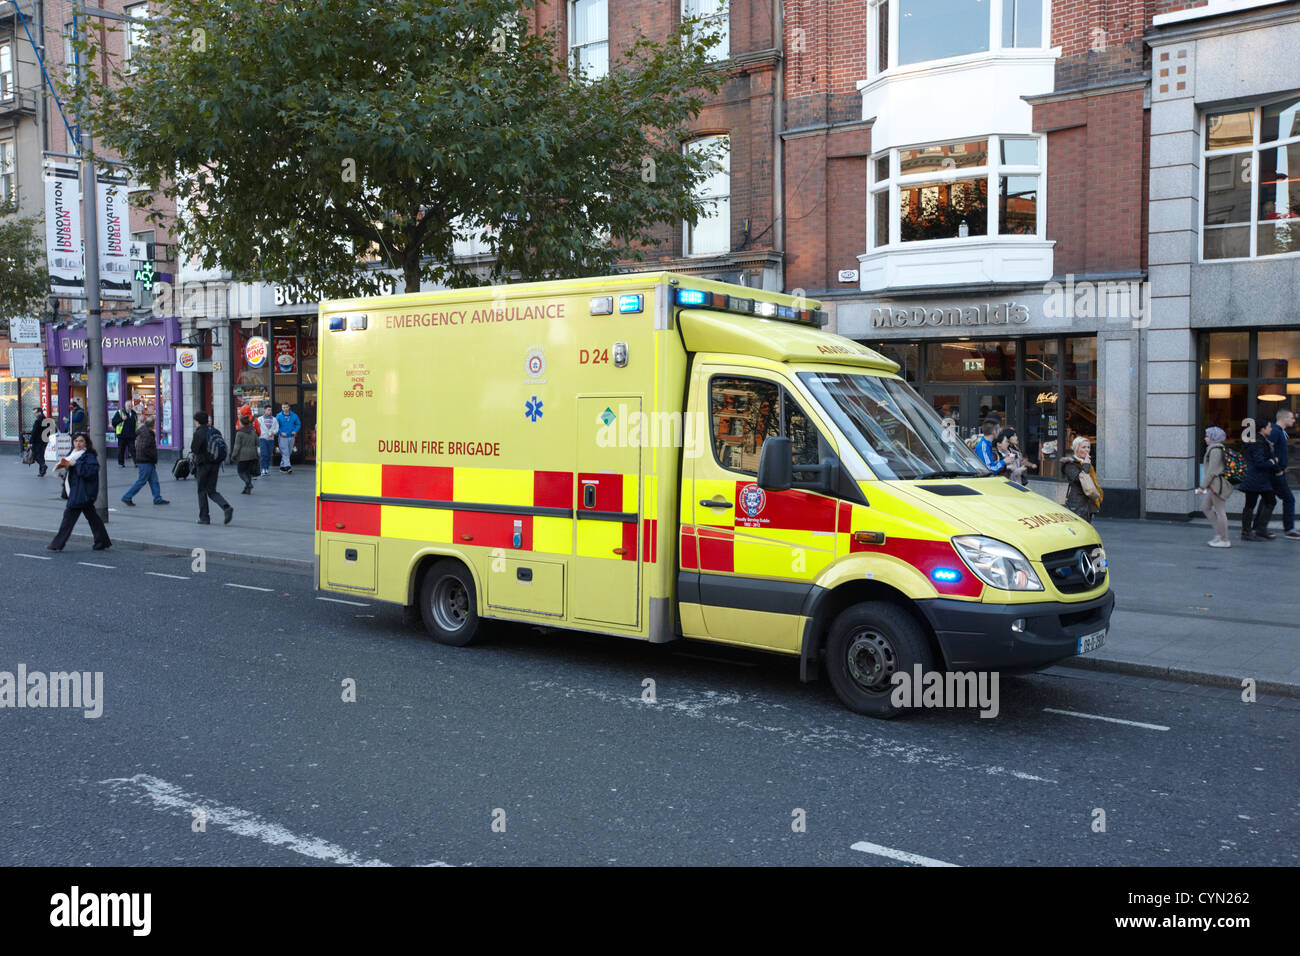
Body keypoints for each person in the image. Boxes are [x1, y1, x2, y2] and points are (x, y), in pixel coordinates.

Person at [46, 433, 112, 552]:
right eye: (76, 441)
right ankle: (102, 541)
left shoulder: (89, 456)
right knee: (93, 518)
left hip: (82, 493)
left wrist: (75, 464)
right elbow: (74, 474)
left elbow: (89, 473)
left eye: (81, 441)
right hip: (79, 492)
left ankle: (57, 544)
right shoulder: (73, 454)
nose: (78, 443)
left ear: (86, 443)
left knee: (68, 519)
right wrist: (63, 472)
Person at [191, 410, 233, 525]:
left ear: (198, 422)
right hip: (215, 464)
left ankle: (204, 517)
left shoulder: (199, 433)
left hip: (203, 465)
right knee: (211, 490)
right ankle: (226, 506)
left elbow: (194, 449)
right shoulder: (215, 431)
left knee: (202, 491)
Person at [1240, 418, 1278, 541]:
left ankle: (1253, 530)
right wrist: (1272, 461)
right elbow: (1259, 463)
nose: (1271, 429)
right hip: (1256, 479)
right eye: (1269, 427)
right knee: (1265, 502)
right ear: (1263, 429)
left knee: (1259, 503)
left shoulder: (1258, 440)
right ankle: (1251, 531)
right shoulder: (1259, 442)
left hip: (1257, 479)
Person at [120, 414, 169, 506]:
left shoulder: (143, 431)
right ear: (153, 425)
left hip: (145, 460)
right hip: (145, 461)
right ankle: (127, 497)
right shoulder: (147, 434)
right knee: (142, 480)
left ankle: (157, 498)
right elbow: (144, 447)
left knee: (154, 480)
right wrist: (152, 457)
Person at [1194, 426, 1231, 548]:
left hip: (1217, 485)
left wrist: (1201, 487)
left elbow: (1212, 471)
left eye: (1207, 436)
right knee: (1205, 507)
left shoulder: (1215, 450)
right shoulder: (1214, 448)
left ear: (1213, 438)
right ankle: (1219, 534)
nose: (1205, 438)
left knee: (1220, 512)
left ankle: (1224, 539)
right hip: (1214, 484)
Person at [1267, 408, 1298, 540]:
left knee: (1267, 500)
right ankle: (1289, 529)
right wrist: (1277, 468)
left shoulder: (1280, 431)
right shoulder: (1275, 431)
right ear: (1284, 419)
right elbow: (1268, 448)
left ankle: (1258, 528)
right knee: (1289, 499)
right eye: (1291, 418)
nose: (1293, 420)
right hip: (1276, 473)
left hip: (1277, 472)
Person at [1061, 435, 1102, 522]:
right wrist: (1086, 464)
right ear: (1076, 448)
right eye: (1083, 447)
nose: (1087, 450)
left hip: (1088, 504)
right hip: (1077, 504)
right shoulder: (1070, 463)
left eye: (1088, 447)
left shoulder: (1086, 463)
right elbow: (1078, 479)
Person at [229, 415, 260, 494]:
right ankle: (247, 488)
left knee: (241, 472)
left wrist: (233, 455)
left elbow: (237, 446)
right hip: (253, 454)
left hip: (243, 456)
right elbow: (258, 442)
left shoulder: (240, 433)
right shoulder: (253, 431)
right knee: (248, 472)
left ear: (241, 423)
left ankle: (248, 483)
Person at [275, 401, 301, 474]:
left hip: (291, 436)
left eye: (286, 407)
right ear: (281, 408)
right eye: (283, 407)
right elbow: (276, 426)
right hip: (283, 437)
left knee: (289, 452)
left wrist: (295, 431)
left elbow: (298, 424)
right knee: (285, 452)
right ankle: (288, 467)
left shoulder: (294, 415)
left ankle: (282, 467)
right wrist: (280, 432)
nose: (285, 409)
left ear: (289, 407)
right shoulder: (279, 416)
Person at [111, 402, 138, 468]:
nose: (130, 407)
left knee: (133, 450)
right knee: (121, 450)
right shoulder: (120, 413)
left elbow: (136, 424)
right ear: (125, 406)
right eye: (128, 406)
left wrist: (136, 433)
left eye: (131, 405)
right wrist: (121, 419)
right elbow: (113, 422)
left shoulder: (134, 414)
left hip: (131, 435)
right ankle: (121, 463)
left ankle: (136, 463)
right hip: (122, 435)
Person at [256, 405, 279, 477]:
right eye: (268, 410)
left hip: (271, 439)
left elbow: (277, 428)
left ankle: (266, 468)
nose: (270, 411)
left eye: (270, 410)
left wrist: (273, 432)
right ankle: (262, 469)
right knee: (264, 454)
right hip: (262, 438)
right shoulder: (259, 419)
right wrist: (260, 434)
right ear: (265, 410)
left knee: (269, 454)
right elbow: (257, 428)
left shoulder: (274, 419)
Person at [28, 411, 51, 478]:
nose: (34, 414)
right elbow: (51, 430)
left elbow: (34, 432)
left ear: (39, 413)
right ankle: (42, 472)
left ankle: (43, 465)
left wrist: (30, 442)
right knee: (41, 455)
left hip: (37, 441)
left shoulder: (37, 421)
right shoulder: (47, 421)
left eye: (35, 413)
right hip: (44, 441)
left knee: (35, 455)